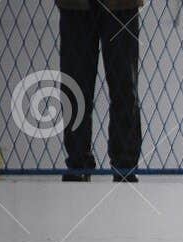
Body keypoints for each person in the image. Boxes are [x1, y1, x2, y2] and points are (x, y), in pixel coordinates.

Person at [56, 0, 143, 182]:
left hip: (118, 5)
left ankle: (122, 165)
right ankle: (81, 162)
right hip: (82, 6)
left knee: (123, 86)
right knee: (76, 85)